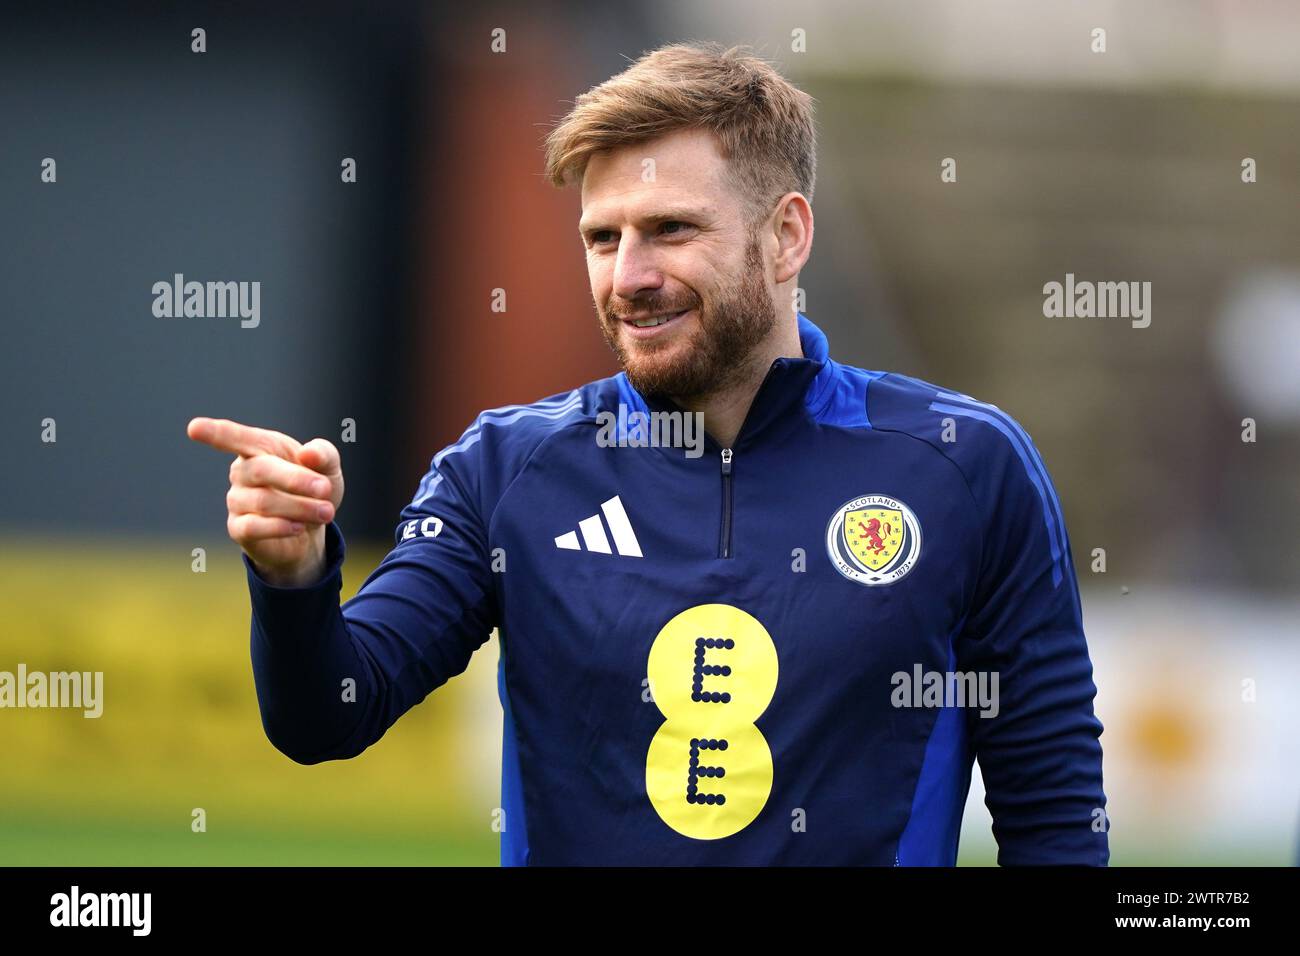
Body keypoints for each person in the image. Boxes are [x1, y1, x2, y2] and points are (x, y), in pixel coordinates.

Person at [187, 41, 1108, 866]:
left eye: (671, 229)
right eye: (602, 238)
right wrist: (296, 578)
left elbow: (1055, 820)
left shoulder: (963, 466)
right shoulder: (508, 471)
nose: (629, 276)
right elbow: (329, 715)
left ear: (786, 235)